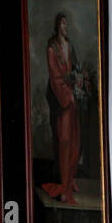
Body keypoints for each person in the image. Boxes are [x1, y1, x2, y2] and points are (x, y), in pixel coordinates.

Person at [40, 12, 85, 205]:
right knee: (65, 141)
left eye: (67, 24)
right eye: (63, 24)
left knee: (75, 141)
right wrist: (68, 96)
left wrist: (80, 83)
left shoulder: (71, 46)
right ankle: (64, 187)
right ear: (57, 25)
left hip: (72, 100)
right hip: (61, 102)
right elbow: (55, 78)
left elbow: (75, 71)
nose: (66, 27)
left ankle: (70, 179)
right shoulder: (52, 48)